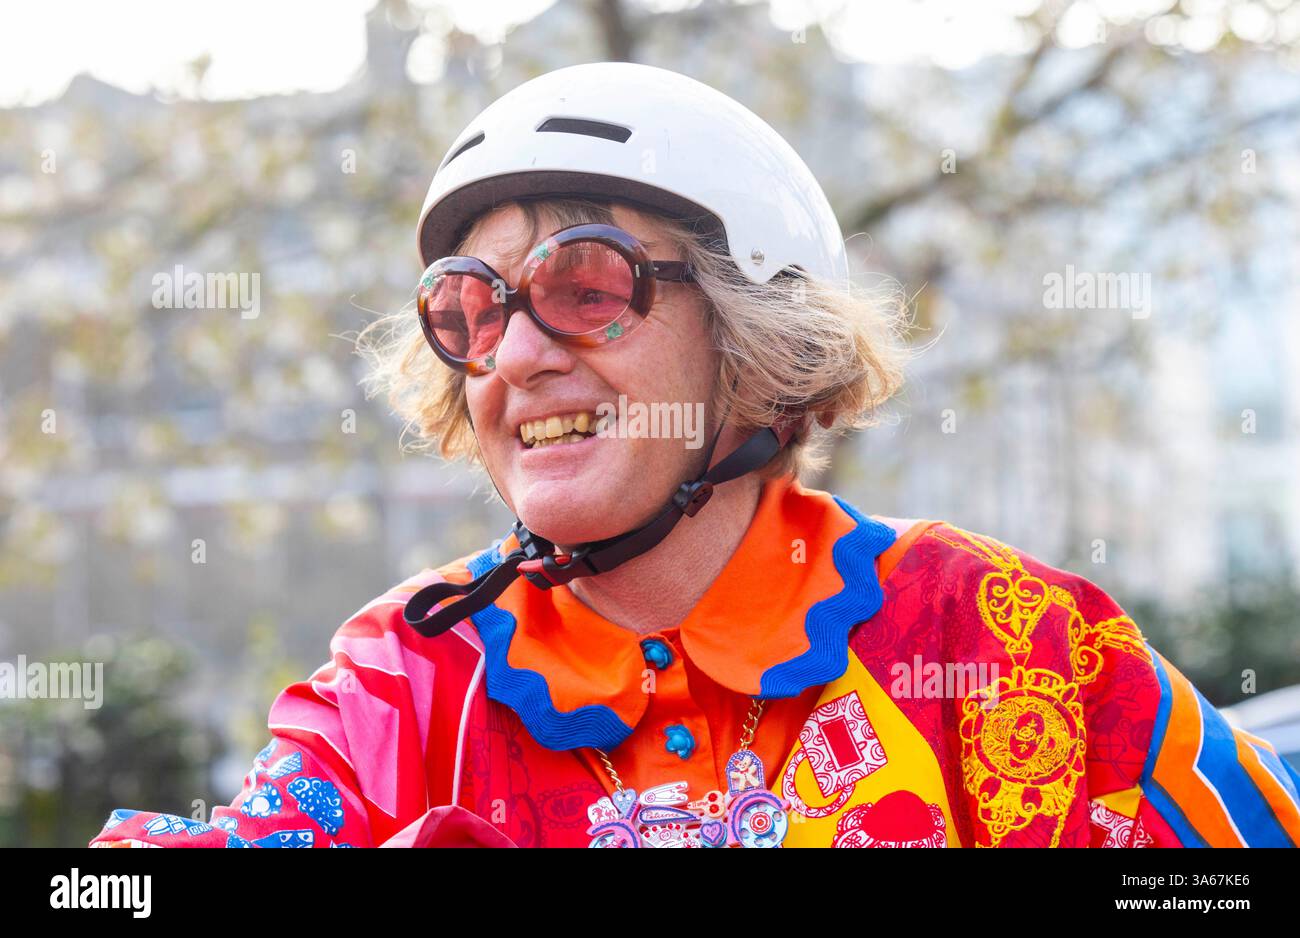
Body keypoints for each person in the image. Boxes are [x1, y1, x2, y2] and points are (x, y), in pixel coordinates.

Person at [91, 62, 1300, 849]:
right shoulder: (405, 676)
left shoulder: (997, 634)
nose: (511, 354)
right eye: (470, 307)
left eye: (583, 285)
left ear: (753, 333)